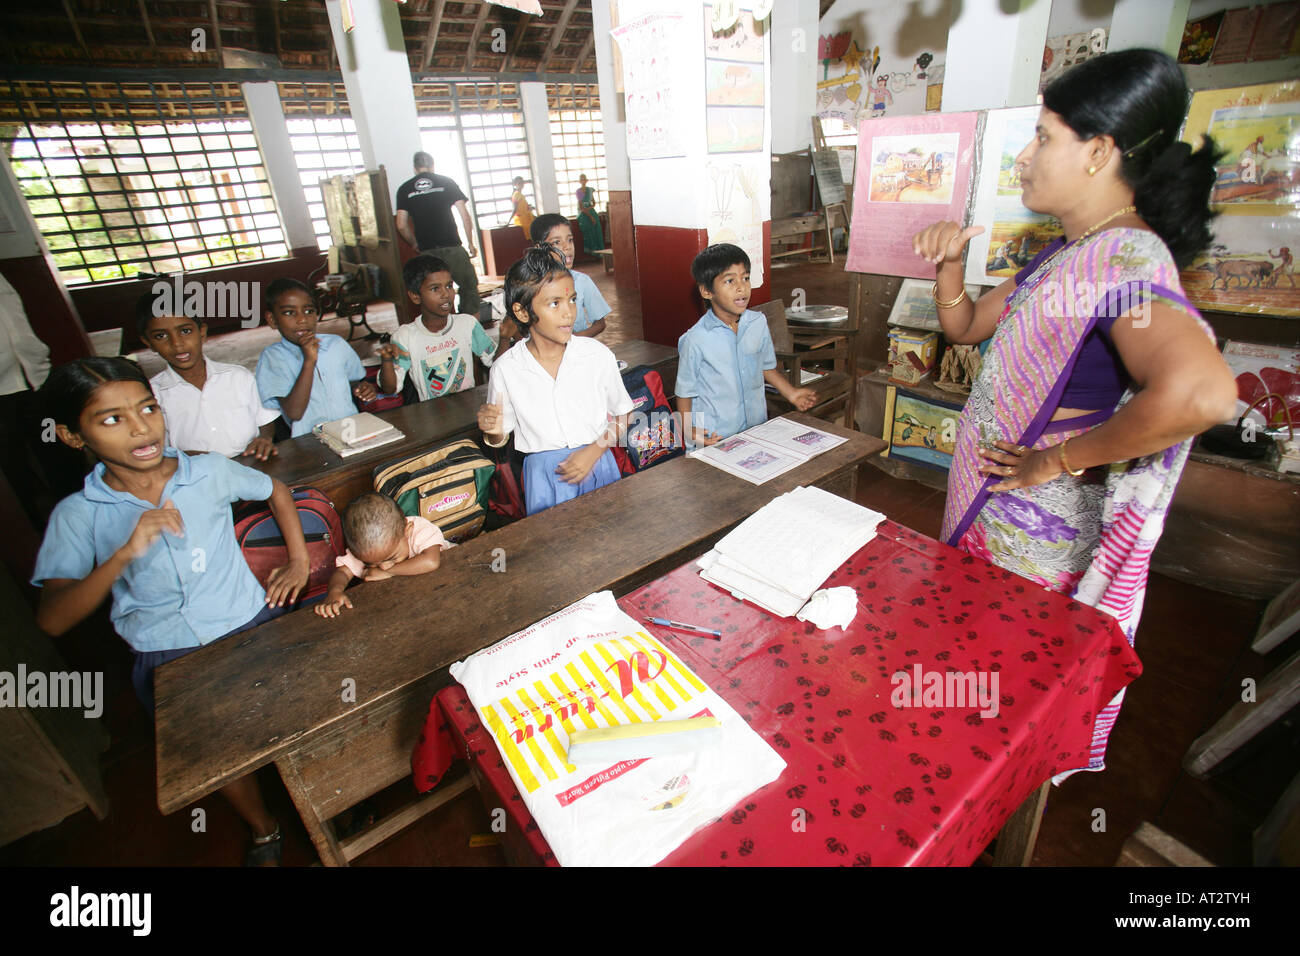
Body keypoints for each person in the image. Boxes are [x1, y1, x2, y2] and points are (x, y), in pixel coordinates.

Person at [911, 49, 1237, 779]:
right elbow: (966, 329)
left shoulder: (1125, 261)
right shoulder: (1069, 253)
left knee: (1003, 693)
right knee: (974, 681)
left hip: (1033, 533)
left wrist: (1055, 460)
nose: (1025, 157)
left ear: (1098, 151)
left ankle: (984, 809)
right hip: (993, 512)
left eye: (1043, 137)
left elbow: (1200, 394)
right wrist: (948, 264)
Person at [31, 357, 311, 865]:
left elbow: (275, 490)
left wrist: (297, 560)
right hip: (168, 654)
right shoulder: (79, 515)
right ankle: (265, 830)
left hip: (248, 624)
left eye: (148, 408)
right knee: (217, 754)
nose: (141, 428)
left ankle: (319, 807)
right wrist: (123, 553)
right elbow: (53, 618)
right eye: (111, 419)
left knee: (289, 722)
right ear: (74, 437)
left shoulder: (205, 471)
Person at [477, 246, 633, 516]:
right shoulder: (506, 369)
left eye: (572, 300)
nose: (569, 313)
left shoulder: (596, 355)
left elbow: (624, 413)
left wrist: (594, 451)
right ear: (523, 313)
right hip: (545, 477)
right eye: (554, 303)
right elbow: (500, 435)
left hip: (597, 463)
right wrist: (491, 430)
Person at [675, 243, 817, 446]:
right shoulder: (696, 339)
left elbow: (765, 367)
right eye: (730, 280)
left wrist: (791, 393)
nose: (741, 287)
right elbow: (684, 391)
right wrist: (689, 430)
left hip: (755, 430)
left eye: (746, 278)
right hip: (715, 438)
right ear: (707, 291)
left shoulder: (757, 323)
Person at [138, 293, 278, 461]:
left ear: (202, 333)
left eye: (185, 331)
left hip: (250, 462)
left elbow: (265, 418)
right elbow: (157, 447)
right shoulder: (152, 395)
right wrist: (177, 457)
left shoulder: (238, 377)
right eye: (161, 336)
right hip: (194, 473)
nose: (177, 343)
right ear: (148, 343)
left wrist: (265, 438)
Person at [254, 278, 377, 437]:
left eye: (308, 311)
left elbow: (354, 381)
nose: (302, 319)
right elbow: (294, 412)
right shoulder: (273, 358)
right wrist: (309, 361)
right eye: (289, 312)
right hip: (310, 441)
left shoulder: (336, 344)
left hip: (351, 431)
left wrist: (362, 388)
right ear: (272, 320)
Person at [315, 493, 453, 618]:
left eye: (391, 558)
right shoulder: (367, 549)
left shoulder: (419, 529)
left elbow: (431, 562)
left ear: (407, 530)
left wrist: (388, 572)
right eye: (370, 564)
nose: (383, 565)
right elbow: (342, 572)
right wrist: (335, 591)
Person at [378, 255, 497, 401]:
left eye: (449, 286)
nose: (446, 294)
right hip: (433, 416)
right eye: (435, 288)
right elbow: (390, 388)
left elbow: (496, 361)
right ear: (415, 297)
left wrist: (504, 337)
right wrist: (387, 361)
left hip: (469, 410)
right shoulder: (405, 336)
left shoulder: (467, 324)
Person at [395, 152, 482, 318]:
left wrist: (414, 243)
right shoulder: (446, 182)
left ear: (415, 168)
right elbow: (464, 215)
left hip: (427, 252)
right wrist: (470, 243)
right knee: (469, 286)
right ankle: (472, 330)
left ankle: (442, 332)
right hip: (452, 247)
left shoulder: (405, 189)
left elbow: (400, 224)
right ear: (433, 166)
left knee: (433, 293)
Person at [531, 213, 610, 338]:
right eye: (557, 242)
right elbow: (520, 331)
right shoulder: (530, 284)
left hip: (577, 350)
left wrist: (572, 341)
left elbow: (600, 324)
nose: (567, 247)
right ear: (539, 248)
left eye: (570, 240)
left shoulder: (582, 281)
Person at [575, 174, 603, 256]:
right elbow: (581, 207)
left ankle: (600, 252)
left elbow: (594, 203)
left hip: (590, 210)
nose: (583, 181)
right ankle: (592, 252)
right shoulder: (578, 191)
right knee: (588, 231)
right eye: (582, 180)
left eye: (584, 179)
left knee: (597, 229)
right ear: (580, 181)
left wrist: (590, 208)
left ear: (586, 181)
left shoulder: (590, 190)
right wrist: (590, 216)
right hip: (583, 213)